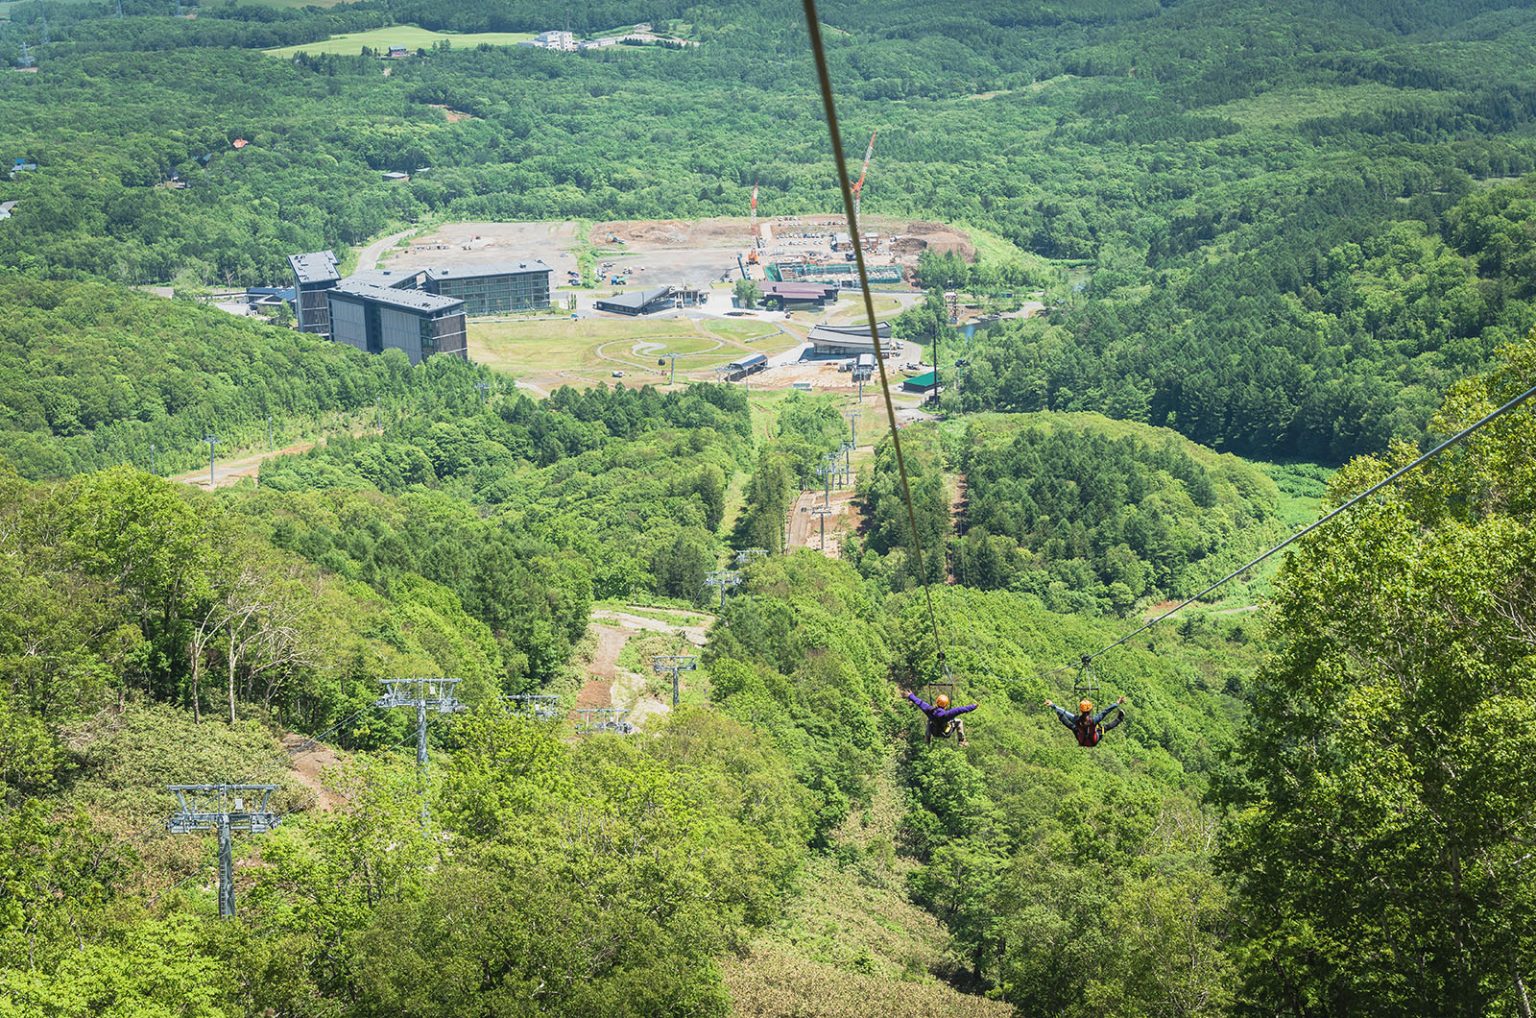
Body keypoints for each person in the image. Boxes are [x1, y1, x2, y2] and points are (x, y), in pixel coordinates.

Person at [1045, 696, 1126, 747]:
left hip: (1082, 740)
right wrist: (1117, 703)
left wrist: (1053, 705)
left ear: (1081, 710)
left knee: (1071, 726)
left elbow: (1065, 712)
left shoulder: (1076, 720)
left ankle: (1060, 717)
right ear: (1090, 710)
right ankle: (1119, 719)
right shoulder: (1094, 720)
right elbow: (1106, 711)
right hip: (1093, 741)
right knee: (1105, 728)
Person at [904, 690, 977, 746]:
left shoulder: (930, 710)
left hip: (934, 732)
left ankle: (927, 740)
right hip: (946, 733)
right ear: (946, 705)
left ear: (937, 702)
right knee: (959, 721)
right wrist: (973, 706)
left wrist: (911, 695)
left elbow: (920, 703)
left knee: (929, 721)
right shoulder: (947, 714)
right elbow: (961, 709)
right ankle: (961, 741)